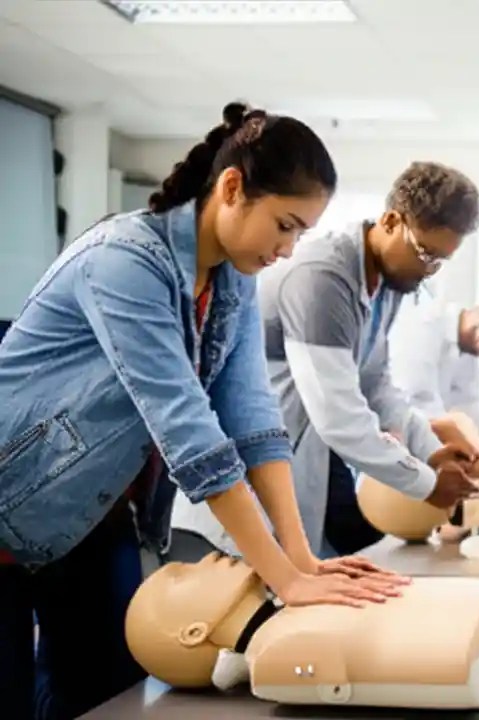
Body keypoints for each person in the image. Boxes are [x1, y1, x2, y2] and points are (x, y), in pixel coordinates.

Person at [0, 103, 402, 720]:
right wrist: (285, 579)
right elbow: (193, 437)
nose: (289, 250)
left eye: (301, 233)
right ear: (233, 188)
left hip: (88, 513)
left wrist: (300, 558)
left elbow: (253, 422)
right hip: (11, 498)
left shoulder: (231, 278)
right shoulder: (124, 261)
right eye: (285, 226)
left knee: (105, 691)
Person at [171, 161, 479, 561]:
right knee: (232, 616)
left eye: (440, 261)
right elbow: (338, 415)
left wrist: (430, 449)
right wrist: (427, 484)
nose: (427, 271)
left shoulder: (388, 282)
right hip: (235, 499)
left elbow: (376, 385)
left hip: (291, 486)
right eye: (426, 253)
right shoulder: (322, 278)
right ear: (392, 221)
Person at [388, 295, 479, 433]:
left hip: (423, 431)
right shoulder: (429, 324)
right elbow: (414, 400)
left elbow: (471, 404)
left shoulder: (469, 350)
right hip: (392, 428)